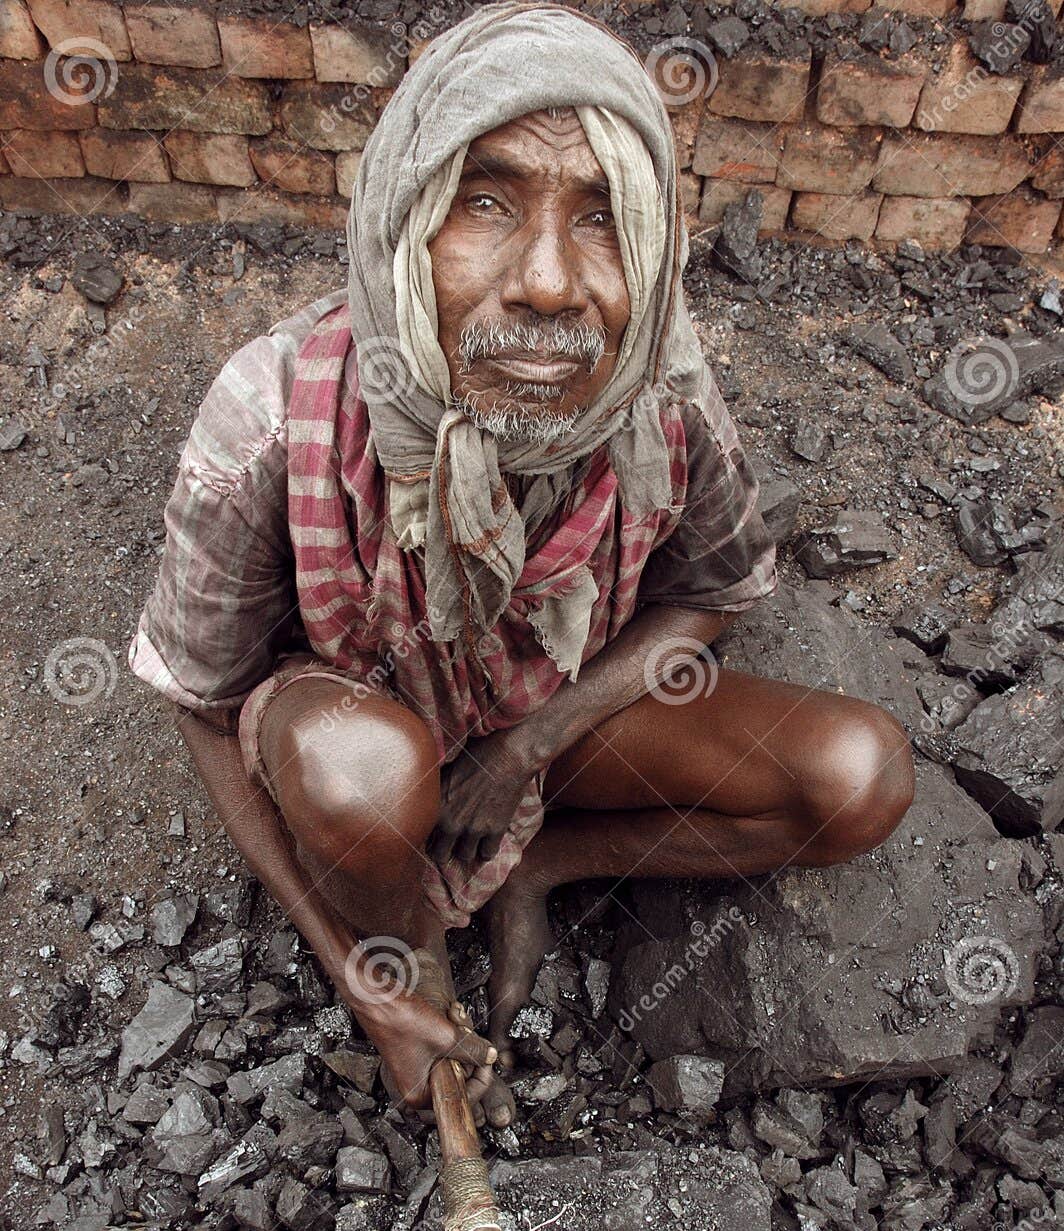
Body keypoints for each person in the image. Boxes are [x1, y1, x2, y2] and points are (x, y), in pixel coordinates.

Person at [128, 2, 915, 1131]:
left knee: (858, 778)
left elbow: (709, 592)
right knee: (362, 779)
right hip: (356, 714)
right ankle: (409, 931)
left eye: (600, 217)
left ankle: (543, 867)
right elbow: (204, 702)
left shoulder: (661, 395)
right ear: (403, 217)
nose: (547, 282)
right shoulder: (271, 413)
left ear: (646, 246)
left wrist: (524, 752)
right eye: (485, 200)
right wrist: (365, 970)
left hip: (553, 711)